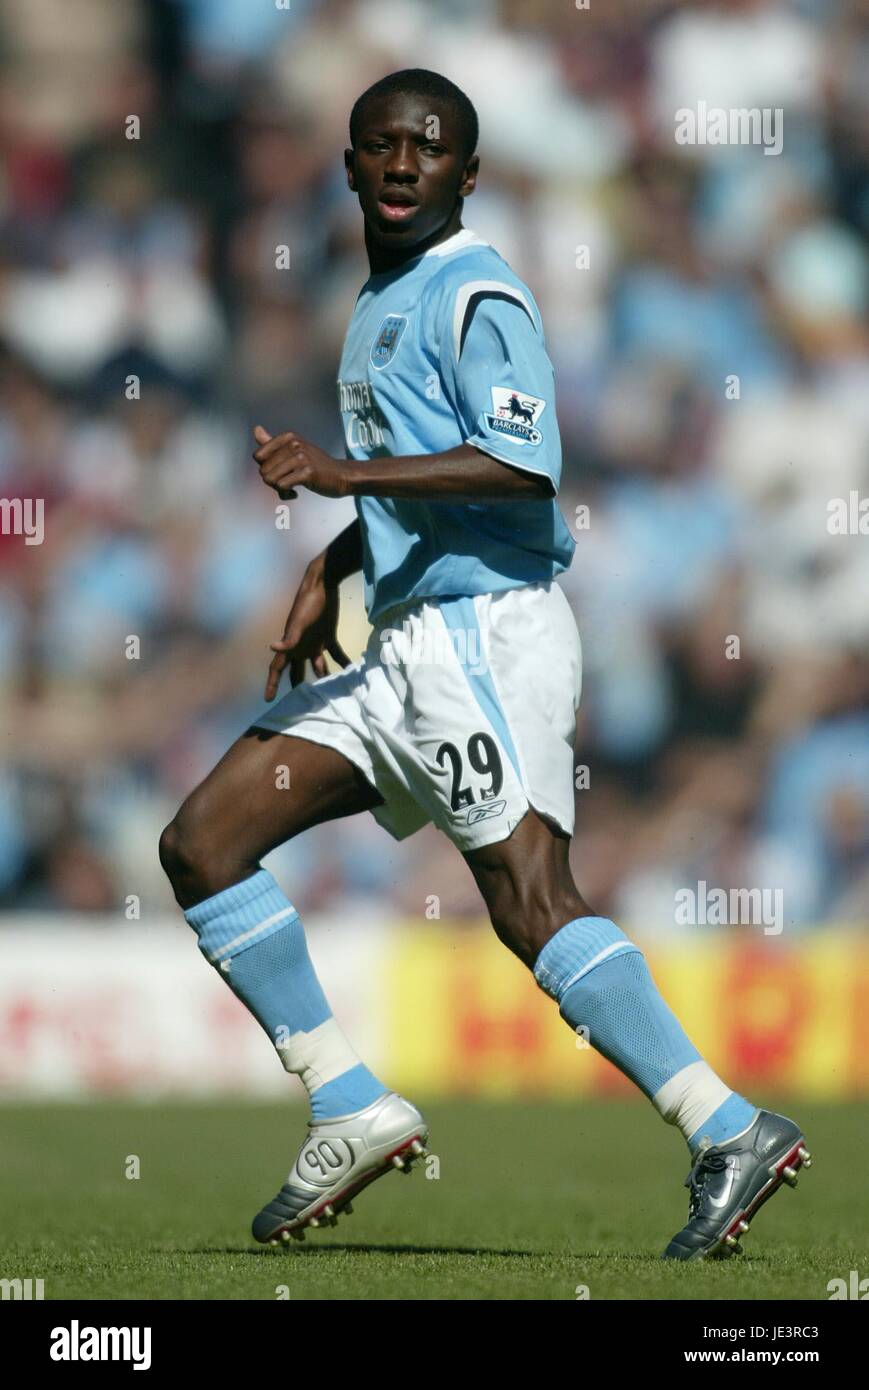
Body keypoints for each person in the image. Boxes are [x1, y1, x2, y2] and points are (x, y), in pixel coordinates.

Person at [159, 69, 810, 1260]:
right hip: (401, 645)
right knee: (203, 840)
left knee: (528, 903)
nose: (403, 163)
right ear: (349, 166)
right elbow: (426, 469)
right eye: (380, 145)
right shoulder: (379, 295)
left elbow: (521, 466)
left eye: (429, 146)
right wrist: (341, 563)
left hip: (484, 638)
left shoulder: (476, 291)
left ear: (469, 173)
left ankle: (724, 1127)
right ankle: (346, 1100)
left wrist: (345, 483)